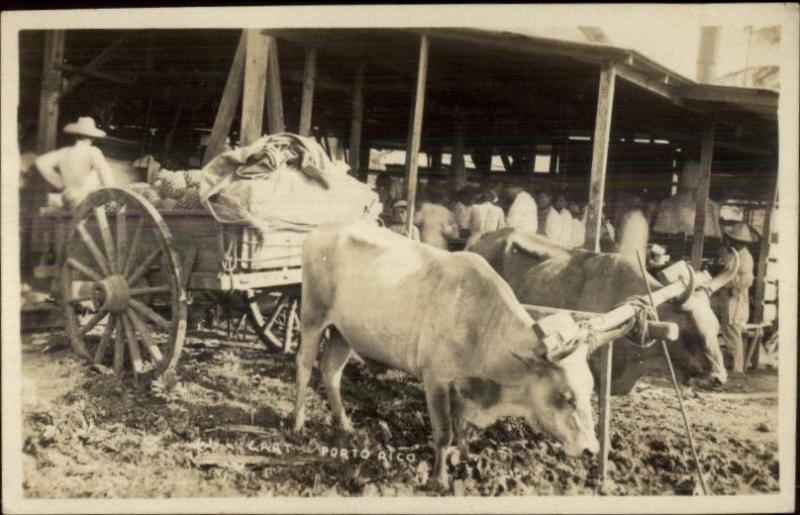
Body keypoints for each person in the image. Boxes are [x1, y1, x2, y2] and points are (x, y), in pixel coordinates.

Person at [34, 117, 116, 208]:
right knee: (98, 170)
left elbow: (41, 162)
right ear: (93, 138)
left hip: (68, 197)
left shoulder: (65, 152)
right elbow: (104, 171)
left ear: (75, 136)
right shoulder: (92, 151)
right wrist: (111, 196)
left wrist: (60, 183)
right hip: (86, 198)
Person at [713, 222, 757, 374]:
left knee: (732, 333)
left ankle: (737, 370)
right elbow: (721, 269)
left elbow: (746, 280)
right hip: (722, 296)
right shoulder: (730, 253)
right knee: (718, 327)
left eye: (735, 240)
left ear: (741, 242)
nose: (732, 242)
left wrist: (732, 287)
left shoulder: (746, 258)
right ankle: (720, 365)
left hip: (734, 300)